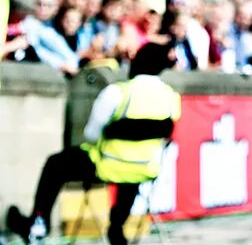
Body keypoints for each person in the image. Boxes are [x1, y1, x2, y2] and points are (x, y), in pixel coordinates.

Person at [5, 43, 181, 245]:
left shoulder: (117, 92)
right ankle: (117, 227)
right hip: (144, 169)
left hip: (106, 165)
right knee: (131, 173)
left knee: (55, 164)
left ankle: (38, 223)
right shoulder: (171, 96)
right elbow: (165, 133)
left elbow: (91, 134)